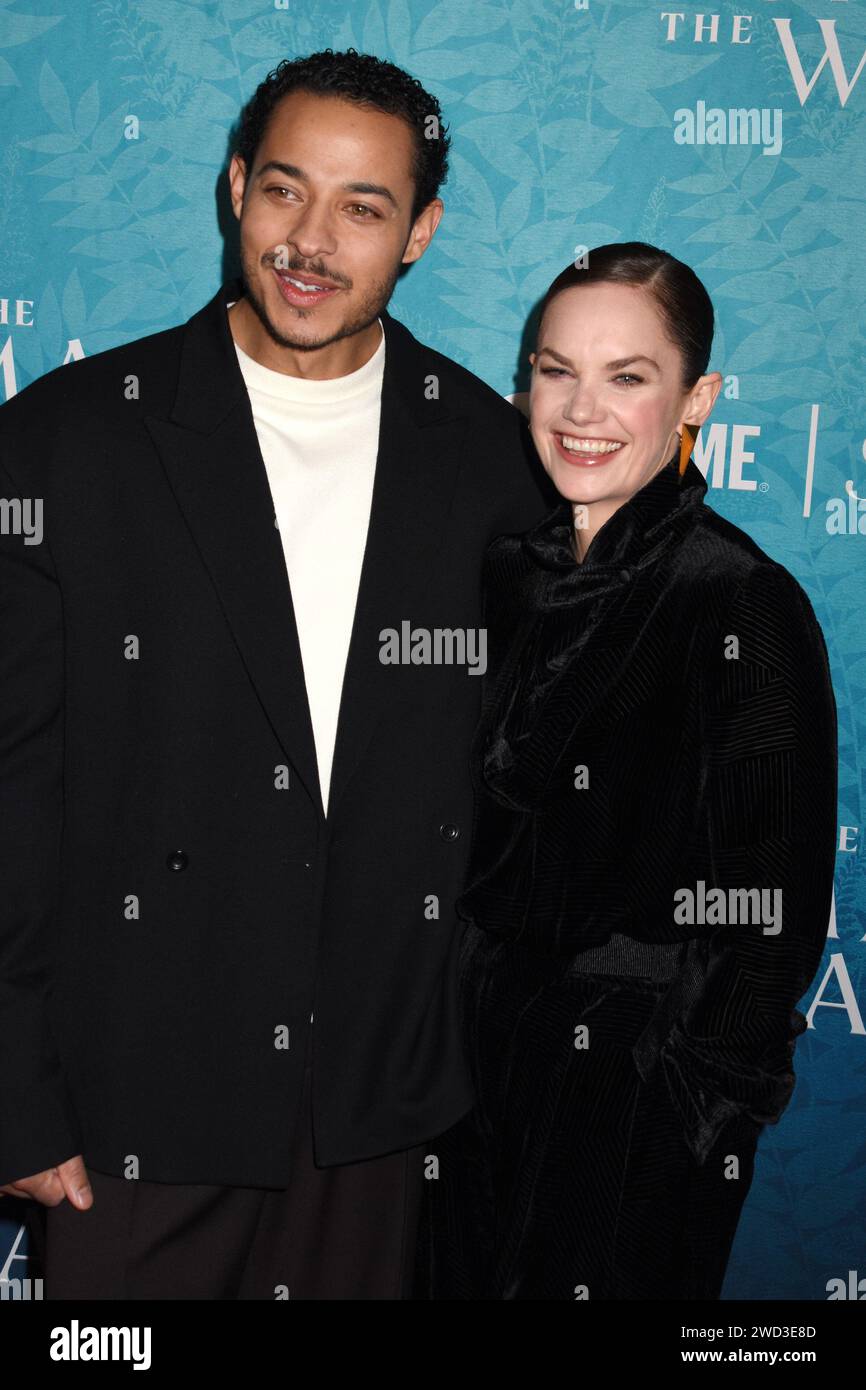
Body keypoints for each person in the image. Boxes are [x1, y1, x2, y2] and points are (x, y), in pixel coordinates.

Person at [0, 49, 555, 1299]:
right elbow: (10, 793)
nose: (310, 241)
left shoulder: (489, 463)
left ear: (419, 232)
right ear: (234, 186)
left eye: (361, 208)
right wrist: (13, 1095)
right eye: (284, 192)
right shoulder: (68, 438)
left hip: (377, 1123)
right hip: (130, 1112)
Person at [413, 242, 838, 1301]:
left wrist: (679, 1119)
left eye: (626, 375)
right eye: (554, 369)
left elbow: (766, 921)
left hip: (630, 1094)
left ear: (696, 396)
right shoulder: (506, 573)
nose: (579, 409)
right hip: (470, 1072)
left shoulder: (740, 599)